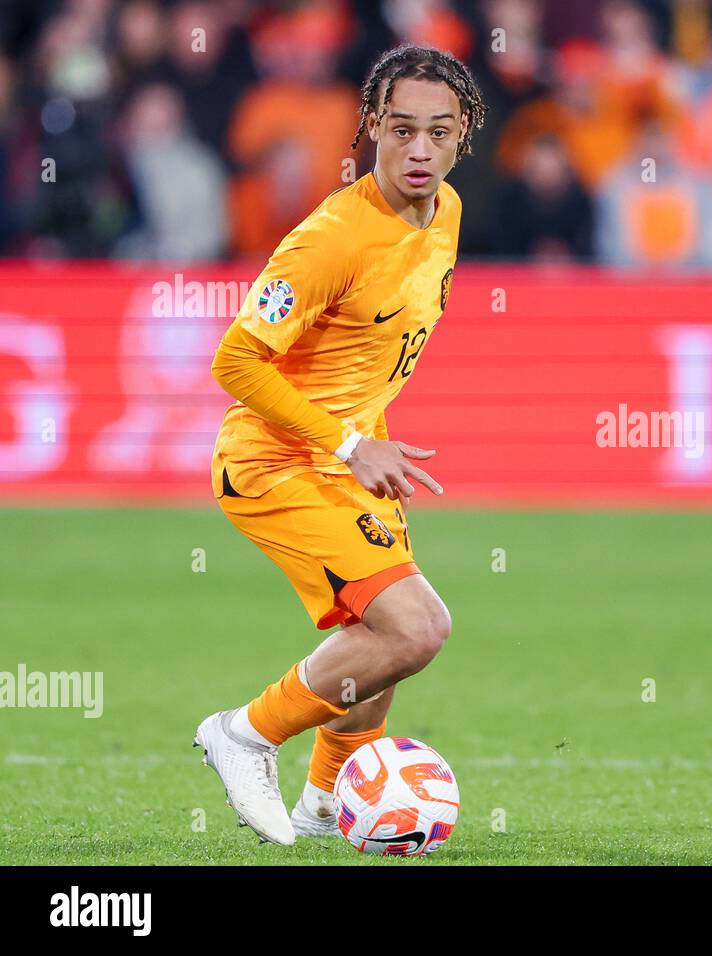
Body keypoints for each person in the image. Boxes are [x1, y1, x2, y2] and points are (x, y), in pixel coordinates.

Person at [194, 44, 486, 846]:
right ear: (369, 131)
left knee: (385, 645)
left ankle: (324, 806)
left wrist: (365, 437)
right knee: (417, 627)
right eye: (400, 132)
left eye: (438, 132)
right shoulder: (330, 238)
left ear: (464, 132)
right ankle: (245, 734)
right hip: (274, 461)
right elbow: (235, 360)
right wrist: (350, 440)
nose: (419, 151)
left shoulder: (447, 211)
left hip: (353, 453)